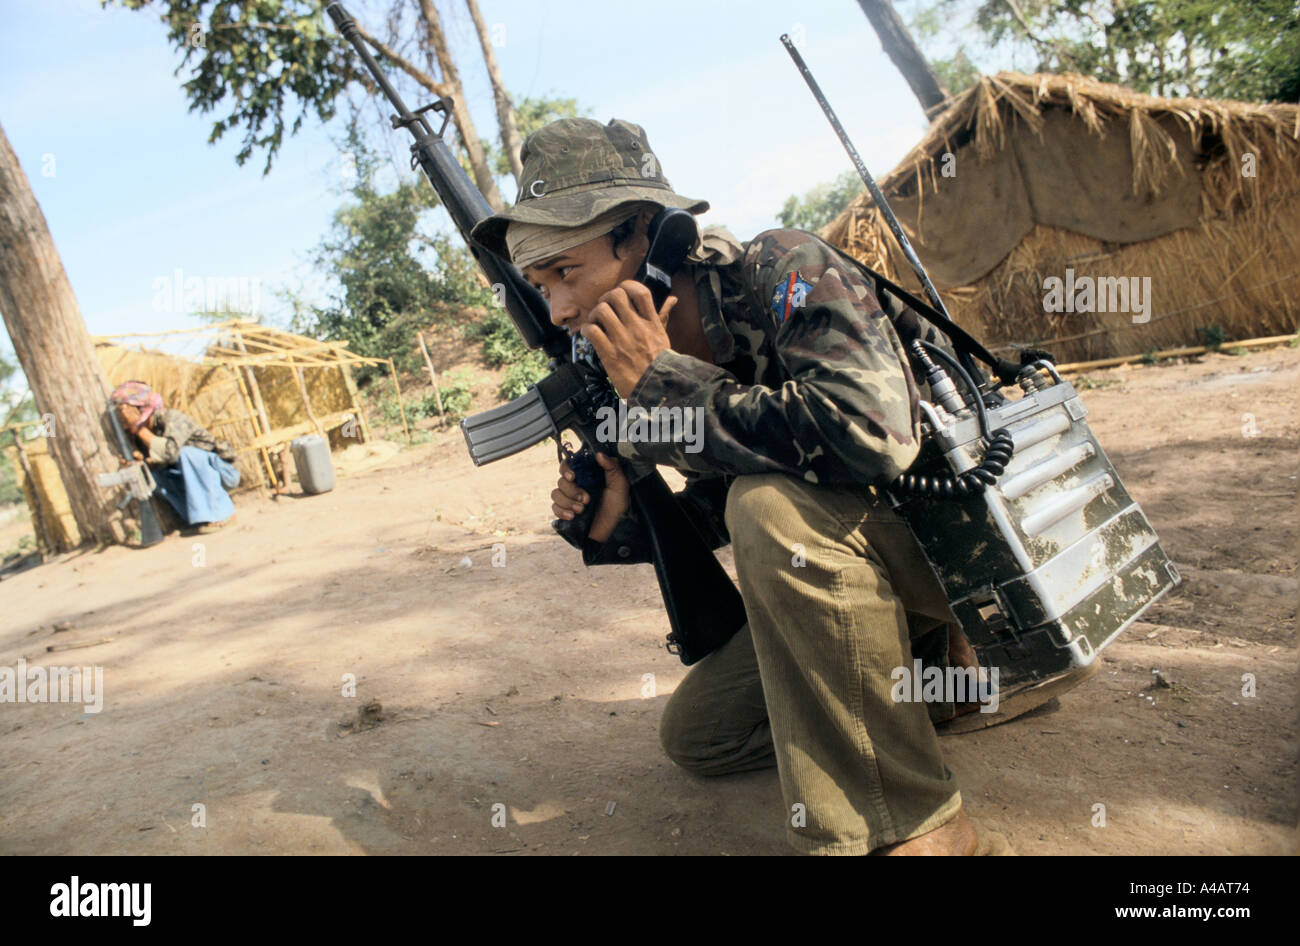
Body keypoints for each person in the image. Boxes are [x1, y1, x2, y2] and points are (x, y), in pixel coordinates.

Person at [471, 117, 1006, 856]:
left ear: (653, 239)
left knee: (771, 509)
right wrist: (620, 510)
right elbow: (718, 505)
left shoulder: (781, 268)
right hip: (856, 567)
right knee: (702, 736)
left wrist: (668, 386)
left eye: (567, 271)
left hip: (969, 551)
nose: (559, 310)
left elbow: (870, 435)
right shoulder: (634, 360)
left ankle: (926, 830)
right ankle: (935, 678)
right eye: (541, 286)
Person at [109, 380, 241, 533]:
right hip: (192, 479)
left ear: (141, 407)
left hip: (224, 473)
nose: (122, 415)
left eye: (126, 408)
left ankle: (223, 514)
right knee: (151, 477)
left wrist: (138, 429)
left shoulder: (171, 418)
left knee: (187, 454)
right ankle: (197, 518)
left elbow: (171, 453)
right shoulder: (138, 436)